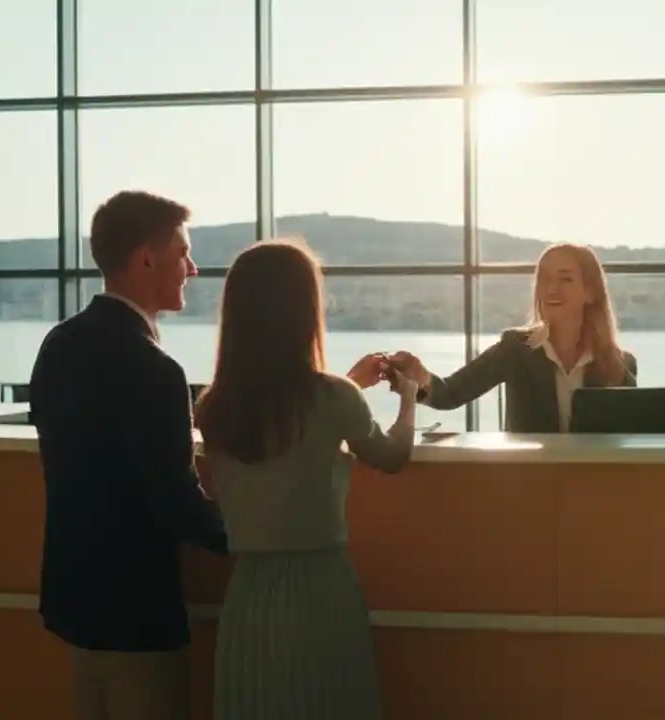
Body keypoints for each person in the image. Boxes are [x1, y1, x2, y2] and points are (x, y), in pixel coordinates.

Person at [195, 238, 419, 719]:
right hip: (320, 590)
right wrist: (409, 399)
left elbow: (285, 420)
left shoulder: (215, 406)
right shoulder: (333, 398)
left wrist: (350, 385)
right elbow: (392, 455)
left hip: (249, 596)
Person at [29, 190, 228, 720]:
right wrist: (253, 539)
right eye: (182, 252)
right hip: (136, 610)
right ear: (146, 258)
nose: (192, 267)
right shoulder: (155, 370)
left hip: (74, 599)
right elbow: (175, 500)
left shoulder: (57, 345)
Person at [389, 242, 637, 432]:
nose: (552, 289)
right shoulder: (515, 349)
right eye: (545, 279)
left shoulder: (619, 364)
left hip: (595, 488)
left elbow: (634, 437)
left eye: (566, 279)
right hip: (526, 485)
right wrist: (418, 376)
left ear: (591, 292)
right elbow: (450, 393)